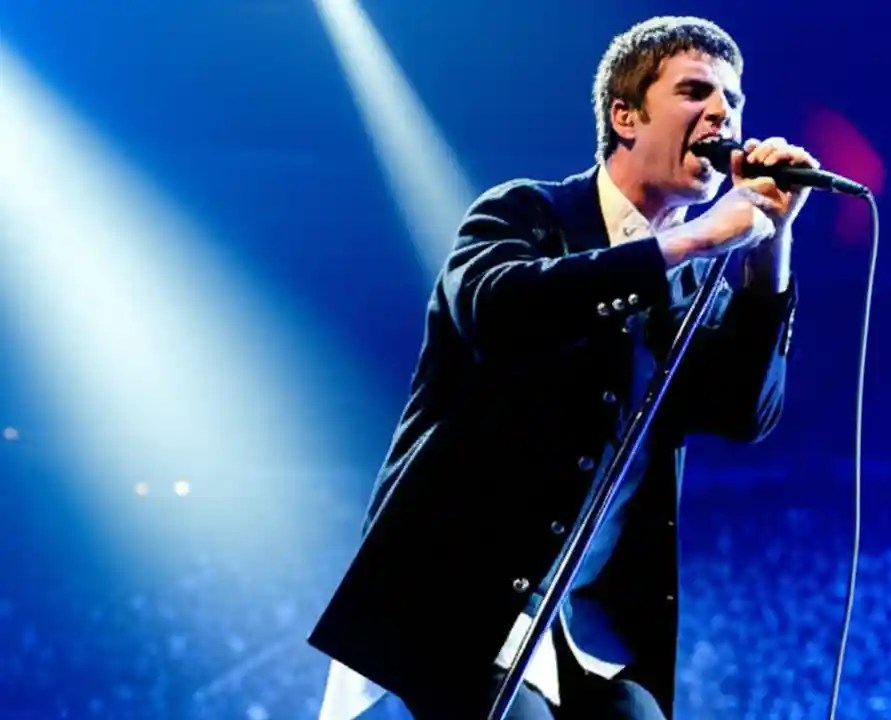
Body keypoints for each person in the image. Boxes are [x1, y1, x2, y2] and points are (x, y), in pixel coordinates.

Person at [308, 15, 816, 720]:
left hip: (581, 629)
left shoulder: (698, 288)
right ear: (626, 116)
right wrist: (692, 241)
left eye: (733, 98)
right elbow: (499, 310)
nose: (723, 112)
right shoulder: (527, 214)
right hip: (457, 603)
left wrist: (771, 251)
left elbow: (743, 411)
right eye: (696, 90)